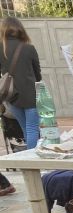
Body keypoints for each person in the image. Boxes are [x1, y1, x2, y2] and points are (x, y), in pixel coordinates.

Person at [0, 17, 41, 151]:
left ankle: (30, 158)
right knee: (32, 128)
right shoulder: (29, 48)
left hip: (11, 96)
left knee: (25, 128)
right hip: (30, 95)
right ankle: (34, 160)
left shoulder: (2, 48)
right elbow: (38, 74)